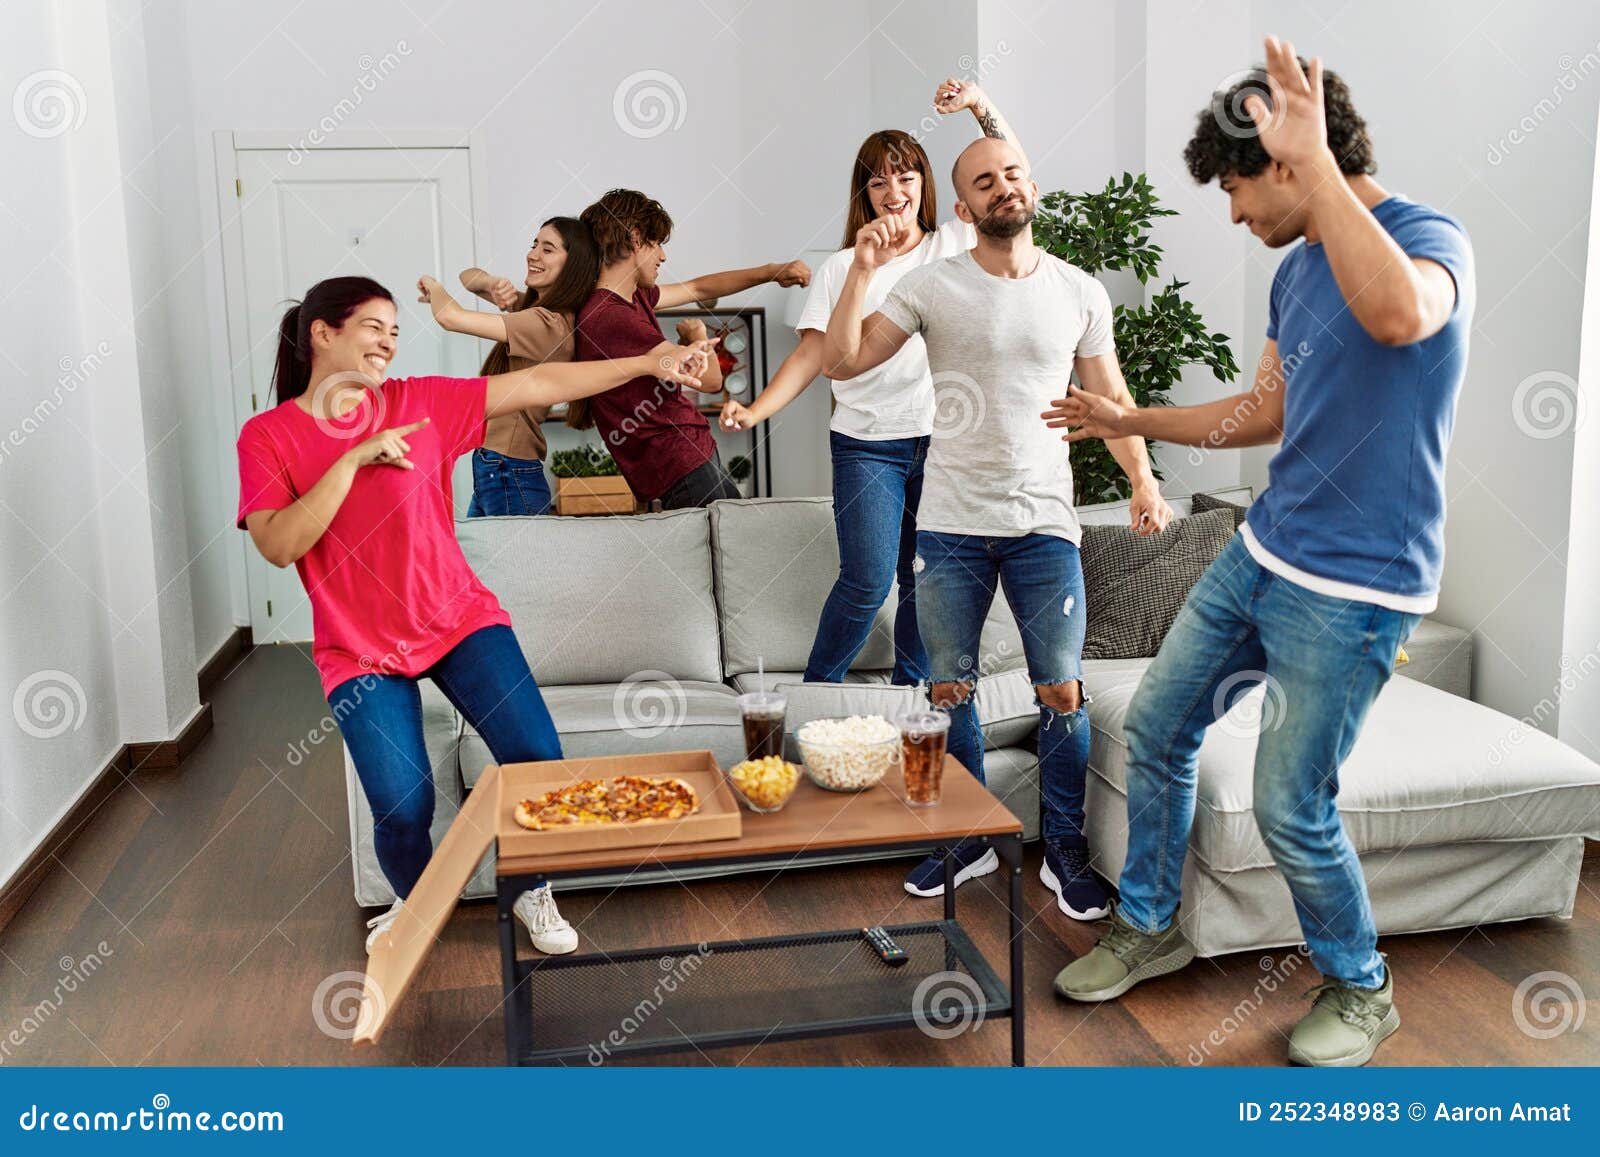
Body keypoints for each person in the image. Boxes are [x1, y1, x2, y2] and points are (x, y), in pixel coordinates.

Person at [1047, 40, 1474, 1069]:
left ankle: (1360, 987)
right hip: (1262, 552)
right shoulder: (1294, 274)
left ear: (1289, 161)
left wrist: (1316, 161)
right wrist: (1128, 413)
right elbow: (1262, 410)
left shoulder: (1426, 239)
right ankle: (1148, 924)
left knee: (1291, 800)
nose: (1235, 214)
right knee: (1154, 727)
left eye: (1239, 188)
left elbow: (1398, 314)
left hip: (1359, 588)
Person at [236, 276, 711, 954]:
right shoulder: (269, 435)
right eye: (375, 325)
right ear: (323, 332)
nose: (390, 340)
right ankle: (417, 901)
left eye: (396, 329)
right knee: (404, 806)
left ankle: (531, 891)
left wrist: (647, 362)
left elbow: (540, 385)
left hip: (455, 616)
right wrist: (351, 459)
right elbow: (280, 545)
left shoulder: (419, 401)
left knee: (536, 756)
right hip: (358, 648)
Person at [822, 136, 1172, 910]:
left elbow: (1111, 398)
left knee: (1062, 691)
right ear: (966, 205)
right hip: (950, 523)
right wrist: (861, 269)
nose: (1002, 186)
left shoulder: (1080, 291)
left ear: (1031, 186)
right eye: (983, 181)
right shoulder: (930, 286)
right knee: (948, 690)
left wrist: (1142, 480)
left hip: (1045, 520)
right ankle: (971, 836)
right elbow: (842, 364)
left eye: (1012, 173)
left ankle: (1067, 849)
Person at [720, 78, 1024, 686]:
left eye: (906, 176)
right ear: (865, 193)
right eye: (879, 180)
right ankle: (817, 691)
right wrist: (755, 412)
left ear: (925, 186)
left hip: (943, 445)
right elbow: (814, 357)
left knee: (926, 577)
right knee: (866, 580)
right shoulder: (841, 266)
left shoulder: (955, 244)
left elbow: (1011, 168)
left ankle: (911, 696)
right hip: (867, 445)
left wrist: (980, 105)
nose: (894, 191)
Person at [573, 188, 811, 509]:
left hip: (691, 456)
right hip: (681, 464)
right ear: (634, 238)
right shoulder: (611, 316)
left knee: (733, 550)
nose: (663, 256)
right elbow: (711, 382)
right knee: (725, 556)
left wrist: (771, 272)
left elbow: (699, 287)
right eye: (656, 243)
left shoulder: (633, 298)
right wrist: (697, 338)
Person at [417, 216, 600, 517]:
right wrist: (492, 283)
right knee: (485, 563)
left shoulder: (546, 324)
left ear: (573, 265)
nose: (533, 254)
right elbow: (468, 276)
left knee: (521, 564)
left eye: (548, 249)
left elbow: (451, 317)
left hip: (508, 469)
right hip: (498, 465)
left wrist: (434, 287)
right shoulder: (535, 311)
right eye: (534, 244)